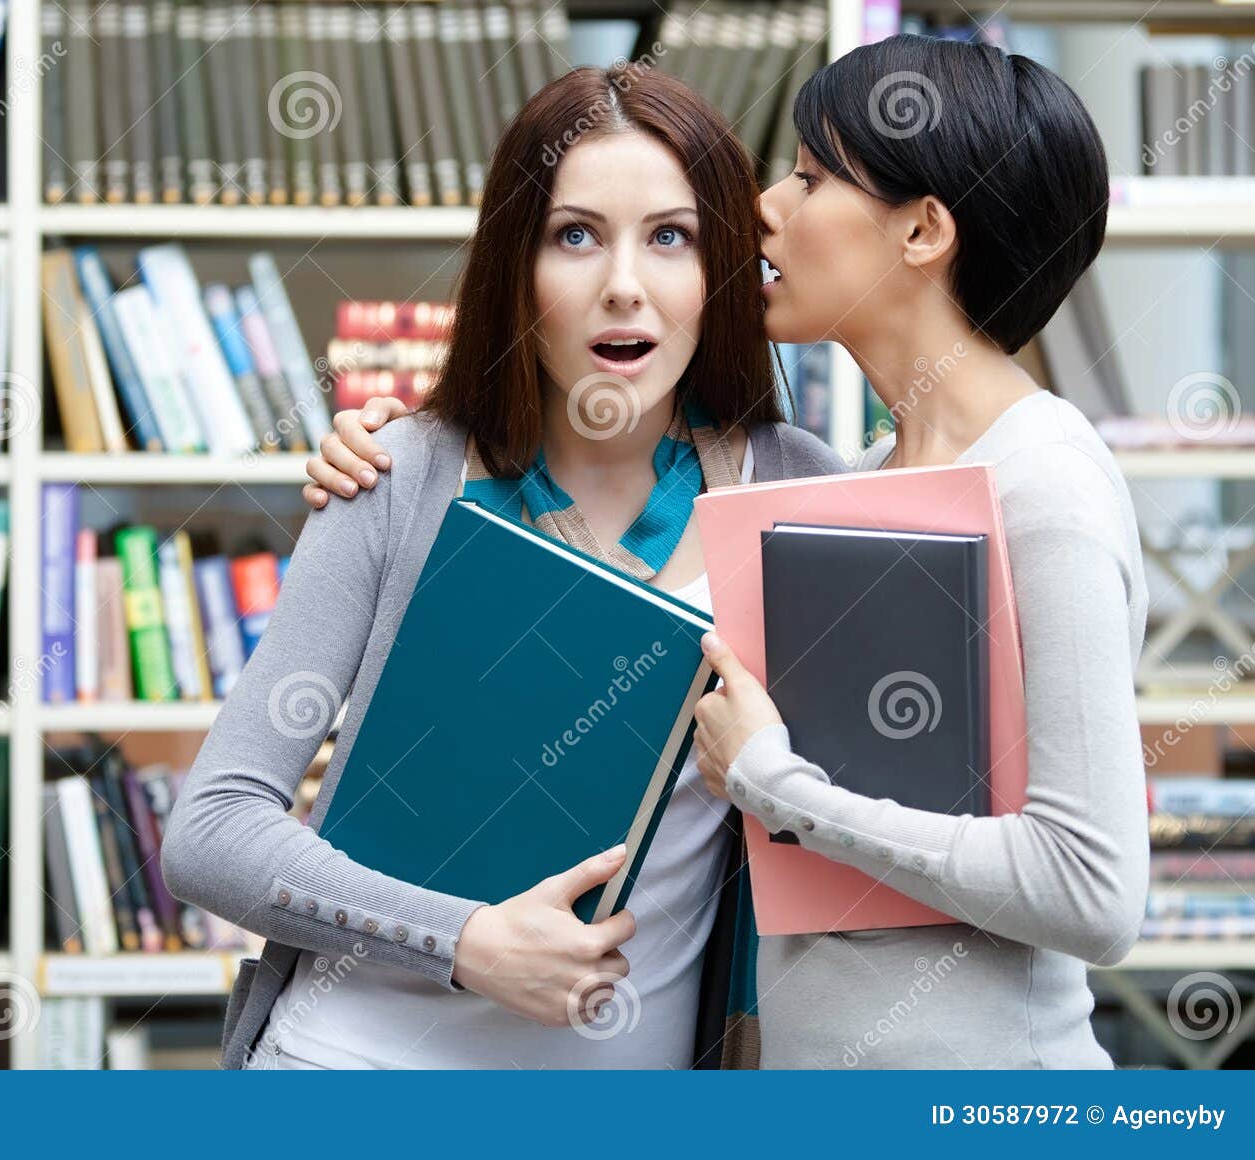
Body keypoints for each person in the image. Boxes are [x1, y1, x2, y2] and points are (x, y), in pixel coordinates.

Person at [304, 35, 1150, 1068]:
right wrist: (403, 444)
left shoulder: (1045, 486)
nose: (763, 209)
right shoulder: (851, 478)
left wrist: (770, 780)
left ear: (923, 230)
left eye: (807, 177)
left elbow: (1092, 890)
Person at [161, 61, 841, 1071]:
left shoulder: (800, 491)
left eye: (671, 235)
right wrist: (464, 943)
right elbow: (211, 831)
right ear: (513, 266)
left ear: (721, 264)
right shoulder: (396, 477)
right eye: (575, 235)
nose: (623, 284)